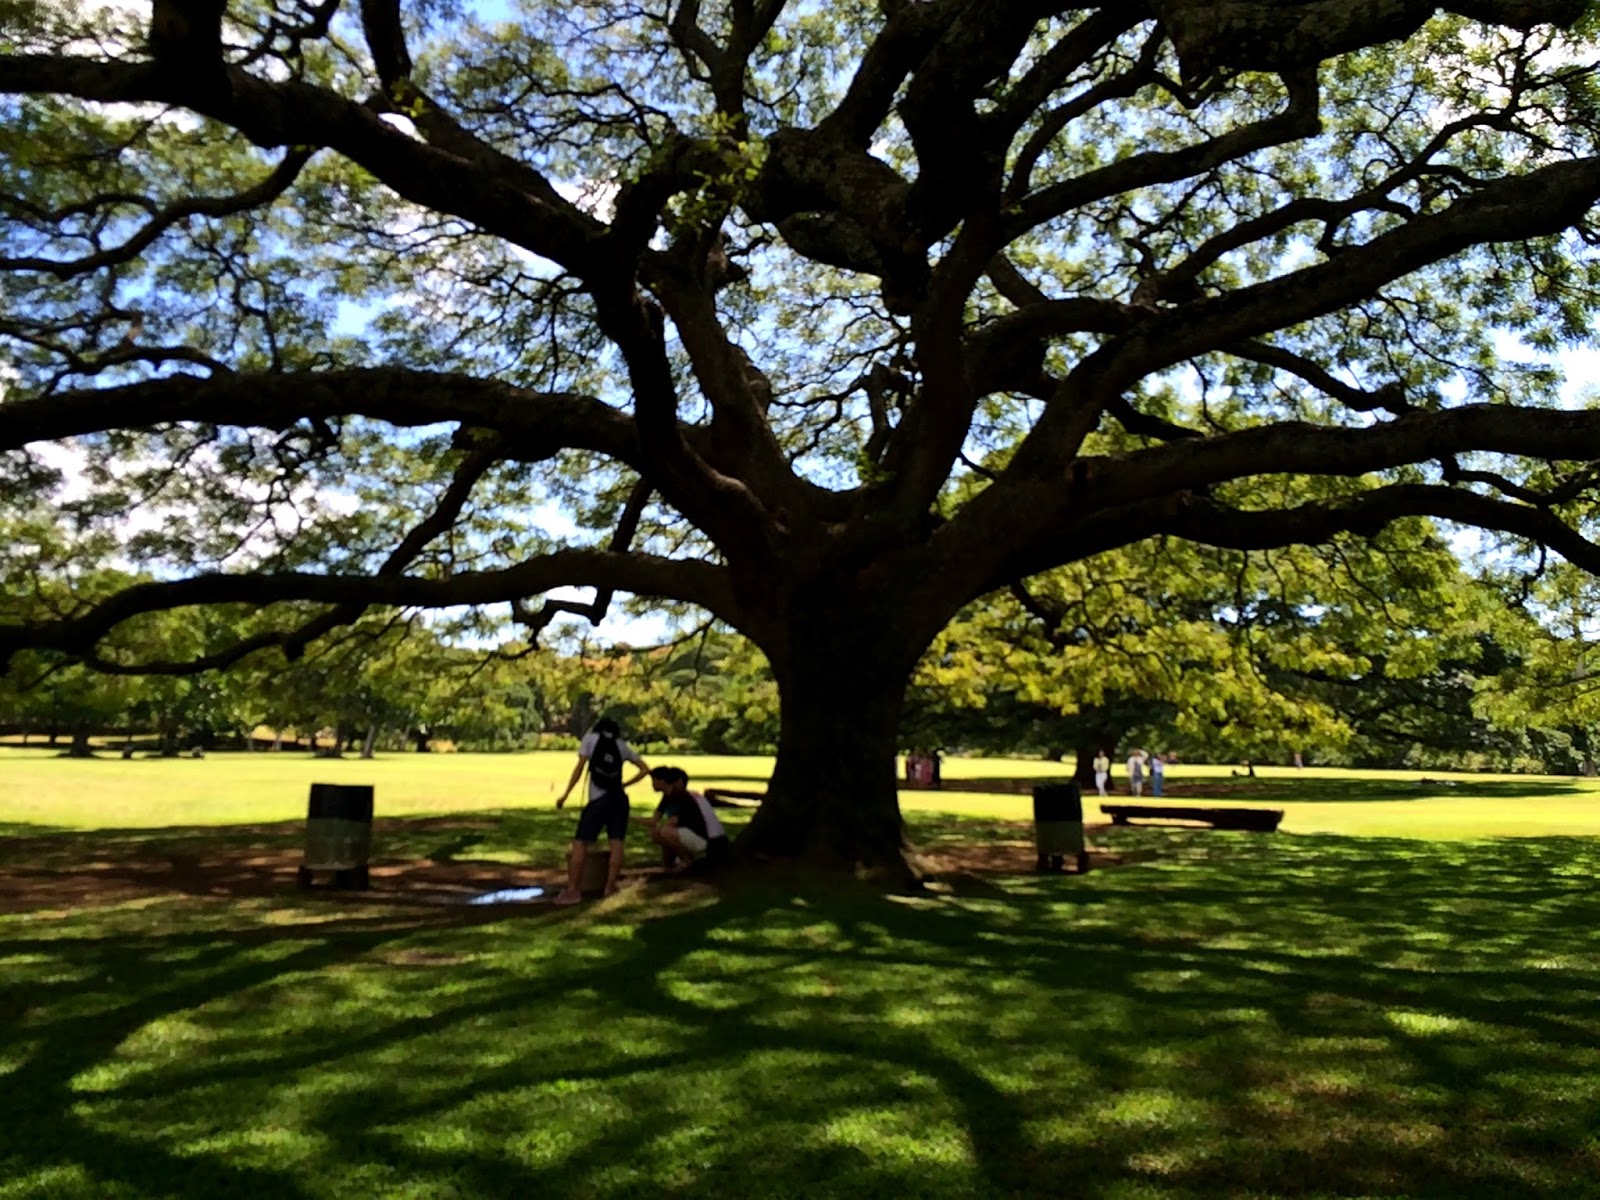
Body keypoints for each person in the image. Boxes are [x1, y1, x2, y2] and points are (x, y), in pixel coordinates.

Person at [552, 718, 650, 904]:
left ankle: (573, 890)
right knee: (617, 843)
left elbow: (579, 769)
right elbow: (645, 769)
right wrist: (624, 784)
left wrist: (565, 795)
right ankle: (609, 886)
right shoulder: (621, 745)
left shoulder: (590, 740)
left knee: (580, 843)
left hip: (598, 800)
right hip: (619, 800)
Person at [647, 766, 732, 871]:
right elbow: (655, 820)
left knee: (665, 832)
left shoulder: (683, 797)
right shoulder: (677, 796)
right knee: (661, 832)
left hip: (710, 841)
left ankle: (687, 861)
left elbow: (674, 822)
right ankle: (670, 864)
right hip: (705, 837)